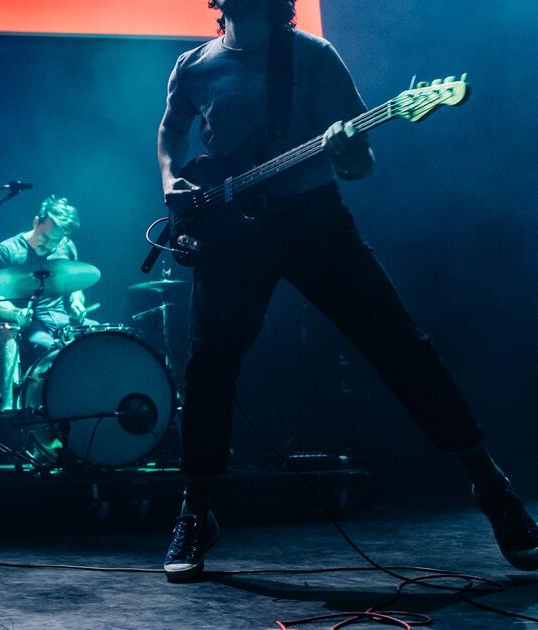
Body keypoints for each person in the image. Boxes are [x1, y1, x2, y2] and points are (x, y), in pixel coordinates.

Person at [157, 0, 538, 582]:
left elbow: (361, 165)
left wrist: (347, 147)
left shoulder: (312, 55)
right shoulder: (194, 64)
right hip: (231, 231)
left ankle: (491, 487)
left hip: (311, 220)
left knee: (401, 344)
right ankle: (196, 510)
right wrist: (170, 179)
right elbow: (170, 130)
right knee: (208, 365)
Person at [0, 196, 92, 374]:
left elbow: (76, 286)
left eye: (55, 241)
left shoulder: (67, 246)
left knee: (103, 337)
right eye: (45, 237)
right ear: (36, 222)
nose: (48, 245)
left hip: (62, 319)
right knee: (50, 350)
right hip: (29, 325)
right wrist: (16, 313)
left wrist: (77, 301)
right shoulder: (8, 250)